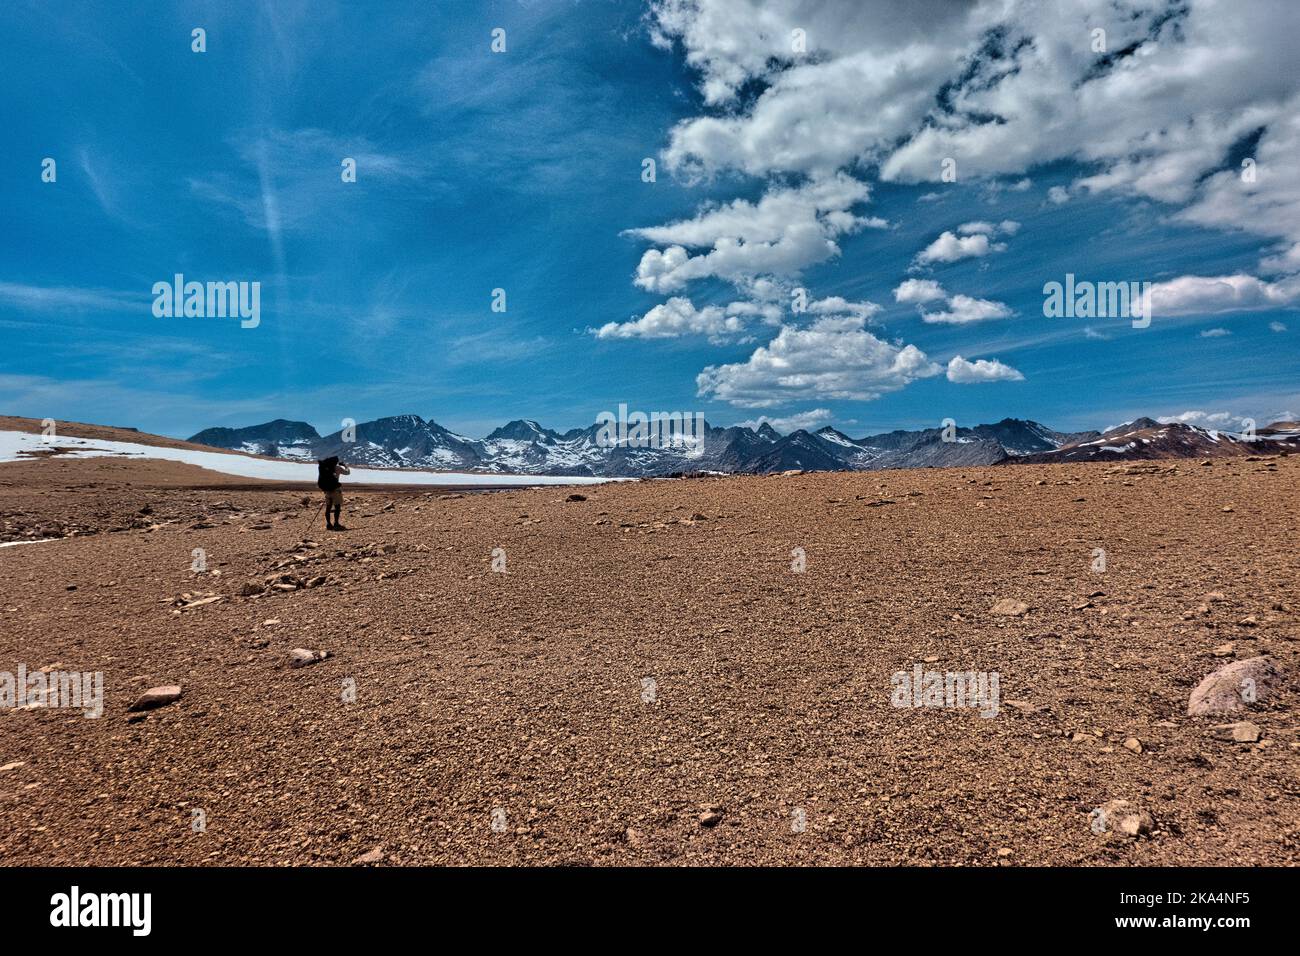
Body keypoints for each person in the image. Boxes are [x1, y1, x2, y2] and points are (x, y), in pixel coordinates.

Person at [316, 456, 351, 530]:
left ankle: (328, 524)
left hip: (327, 490)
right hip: (335, 490)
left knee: (328, 507)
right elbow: (348, 472)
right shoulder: (338, 468)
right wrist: (345, 465)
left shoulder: (325, 468)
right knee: (337, 507)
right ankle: (336, 523)